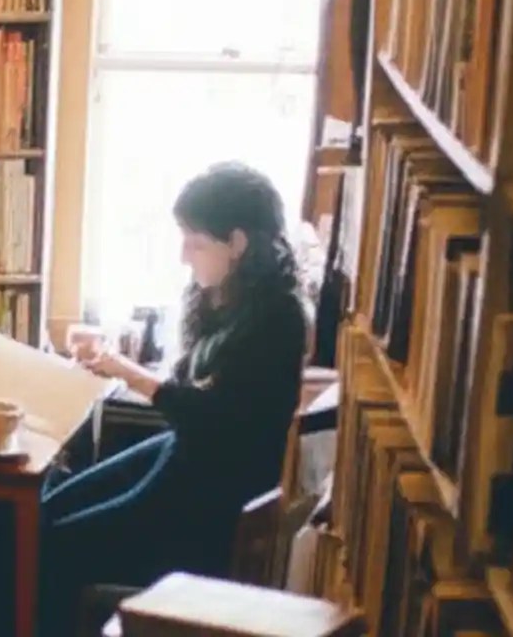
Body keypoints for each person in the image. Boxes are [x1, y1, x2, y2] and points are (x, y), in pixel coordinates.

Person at [40, 162, 311, 633]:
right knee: (45, 510)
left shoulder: (279, 319)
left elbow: (217, 421)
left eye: (196, 242)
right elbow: (192, 385)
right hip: (183, 455)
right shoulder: (224, 296)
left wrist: (130, 374)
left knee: (56, 545)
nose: (185, 256)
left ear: (238, 244)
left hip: (208, 499)